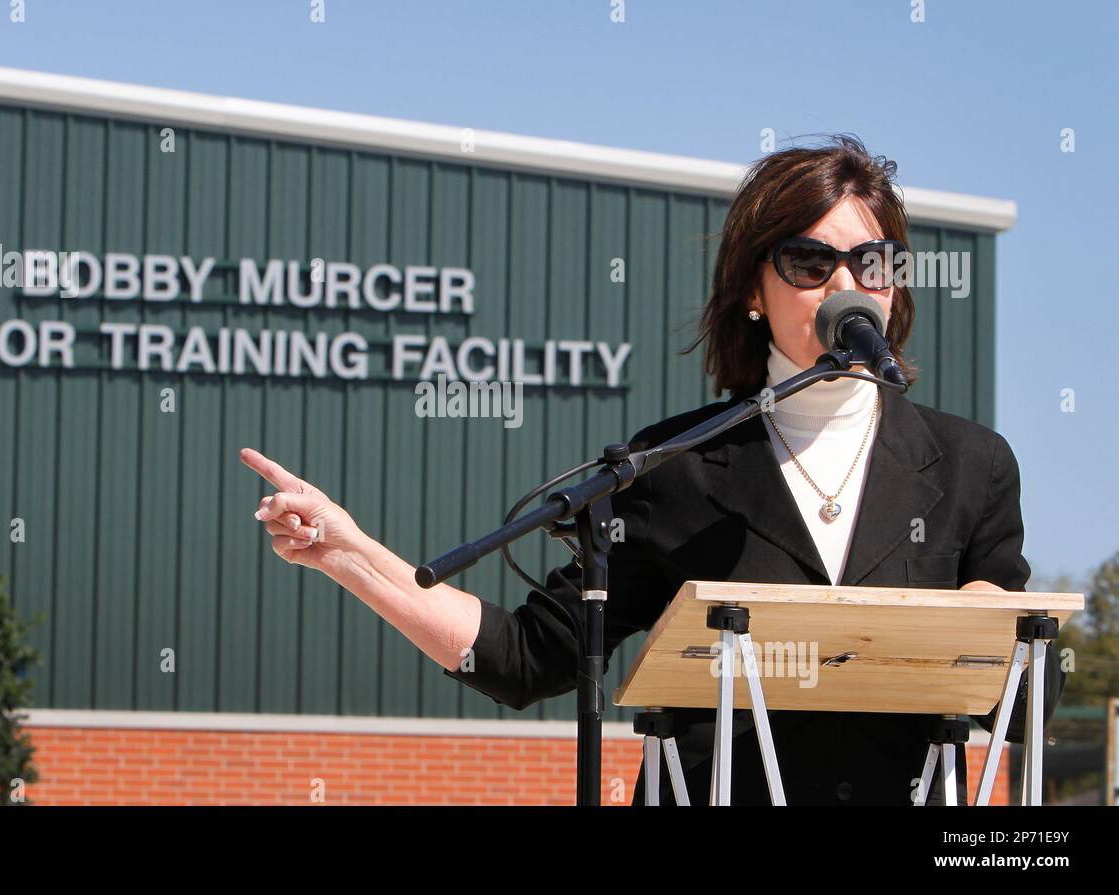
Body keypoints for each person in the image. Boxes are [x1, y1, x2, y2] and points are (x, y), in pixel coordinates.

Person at [239, 134, 1065, 806]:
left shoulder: (970, 465)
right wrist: (348, 553)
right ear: (752, 289)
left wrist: (993, 624)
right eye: (811, 264)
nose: (847, 284)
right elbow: (529, 656)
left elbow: (1033, 701)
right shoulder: (674, 466)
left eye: (872, 263)